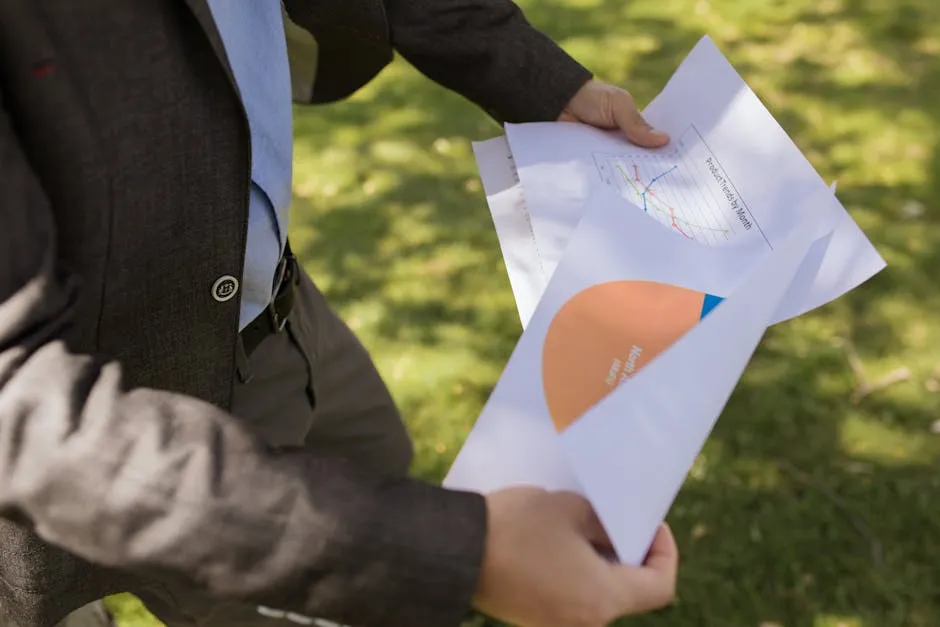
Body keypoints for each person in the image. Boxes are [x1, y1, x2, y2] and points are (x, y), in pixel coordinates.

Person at [0, 1, 678, 626]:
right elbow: (21, 415)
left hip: (272, 298)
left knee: (379, 453)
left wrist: (541, 82)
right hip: (105, 419)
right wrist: (461, 552)